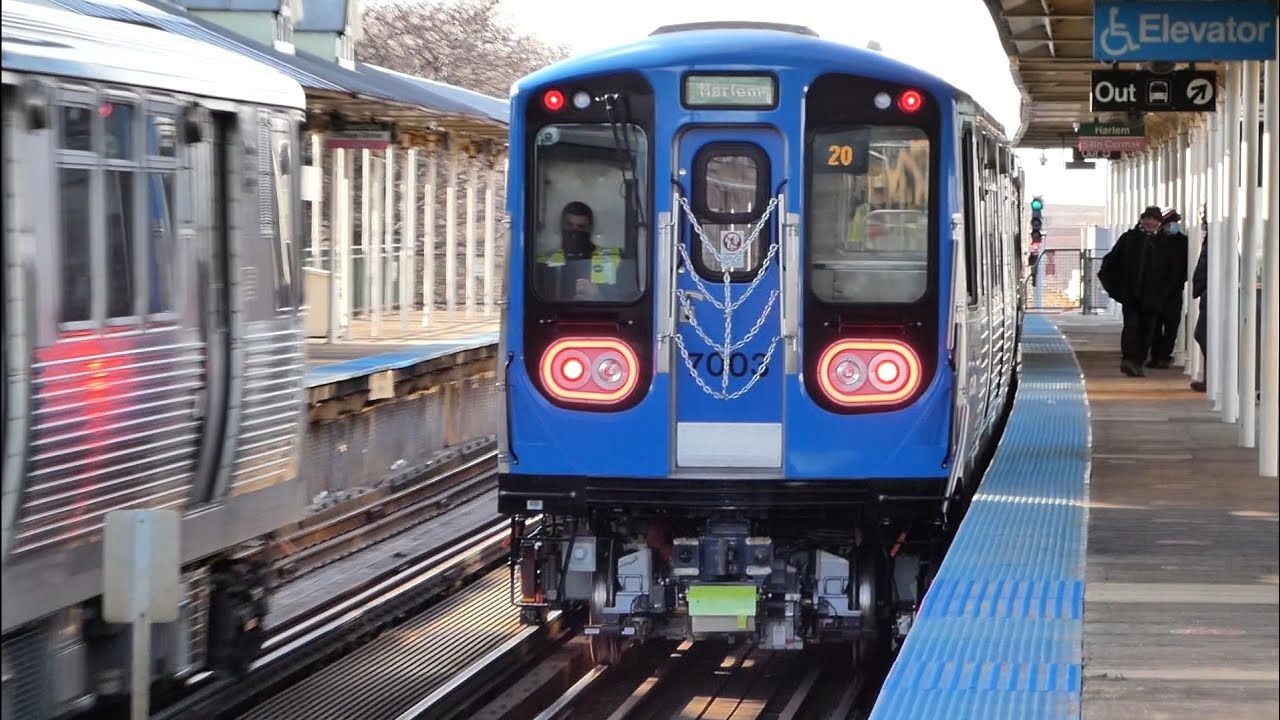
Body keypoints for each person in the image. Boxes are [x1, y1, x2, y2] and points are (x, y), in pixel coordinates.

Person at [1097, 205, 1175, 377]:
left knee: (1148, 331)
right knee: (1131, 328)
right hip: (1131, 295)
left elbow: (1172, 272)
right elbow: (1109, 264)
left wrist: (1164, 293)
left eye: (1154, 219)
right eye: (1147, 218)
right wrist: (1115, 290)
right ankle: (1129, 360)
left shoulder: (1165, 243)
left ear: (1159, 223)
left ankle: (1138, 362)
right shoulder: (1129, 239)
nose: (1149, 222)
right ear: (1141, 220)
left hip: (1153, 298)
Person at [535, 201, 625, 301]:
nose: (575, 231)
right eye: (570, 225)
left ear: (590, 228)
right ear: (562, 226)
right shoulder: (543, 260)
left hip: (597, 315)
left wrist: (597, 294)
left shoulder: (615, 258)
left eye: (581, 227)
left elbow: (627, 300)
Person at [1148, 208, 1189, 368]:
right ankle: (1156, 356)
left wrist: (1179, 281)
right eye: (1169, 223)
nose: (1173, 225)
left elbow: (1186, 266)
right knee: (1155, 326)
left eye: (1175, 222)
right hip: (1157, 290)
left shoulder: (1183, 242)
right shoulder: (1155, 241)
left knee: (1171, 325)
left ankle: (1164, 356)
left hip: (1174, 290)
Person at [1189, 236, 1209, 392]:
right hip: (1207, 293)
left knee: (1203, 335)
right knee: (1204, 336)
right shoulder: (1209, 240)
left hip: (1212, 294)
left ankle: (1212, 379)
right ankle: (1210, 378)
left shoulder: (1215, 240)